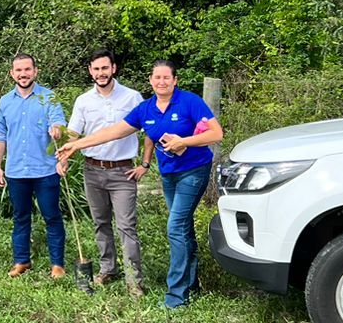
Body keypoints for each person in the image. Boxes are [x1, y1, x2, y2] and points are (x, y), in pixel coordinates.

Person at [58, 60, 222, 308]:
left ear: (175, 80)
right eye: (157, 78)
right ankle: (192, 282)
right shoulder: (146, 109)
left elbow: (216, 133)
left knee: (175, 227)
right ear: (151, 81)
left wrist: (185, 142)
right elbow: (114, 131)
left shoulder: (190, 101)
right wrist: (75, 145)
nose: (162, 82)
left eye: (167, 77)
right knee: (183, 227)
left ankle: (176, 296)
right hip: (169, 174)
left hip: (194, 171)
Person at [62, 49, 149, 296]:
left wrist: (144, 163)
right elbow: (73, 134)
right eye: (96, 69)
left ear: (113, 69)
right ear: (90, 71)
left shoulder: (132, 98)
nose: (101, 73)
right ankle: (108, 268)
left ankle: (133, 279)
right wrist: (63, 151)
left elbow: (149, 132)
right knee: (101, 223)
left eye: (105, 68)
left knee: (126, 225)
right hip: (93, 170)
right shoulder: (83, 101)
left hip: (123, 171)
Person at [0, 53, 67, 278]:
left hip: (45, 170)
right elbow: (0, 134)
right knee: (20, 216)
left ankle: (57, 264)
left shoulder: (48, 97)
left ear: (35, 71)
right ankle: (22, 261)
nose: (23, 74)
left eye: (27, 70)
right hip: (16, 171)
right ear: (12, 74)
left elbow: (59, 124)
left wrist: (57, 130)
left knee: (52, 216)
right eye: (18, 71)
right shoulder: (5, 101)